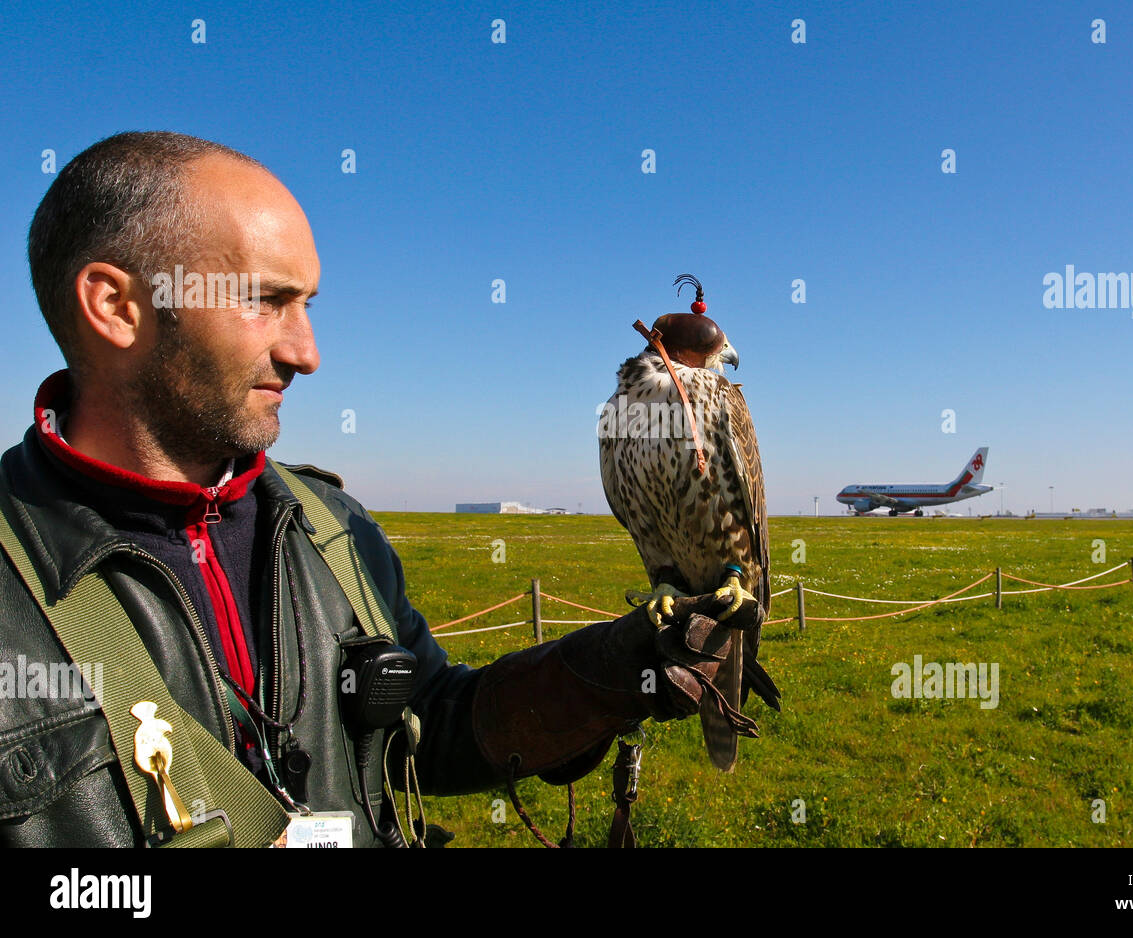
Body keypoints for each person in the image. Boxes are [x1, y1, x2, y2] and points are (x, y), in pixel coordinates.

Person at [0, 131, 752, 848]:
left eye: (309, 306)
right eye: (266, 300)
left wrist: (592, 681)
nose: (307, 352)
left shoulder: (332, 529)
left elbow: (427, 733)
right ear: (117, 306)